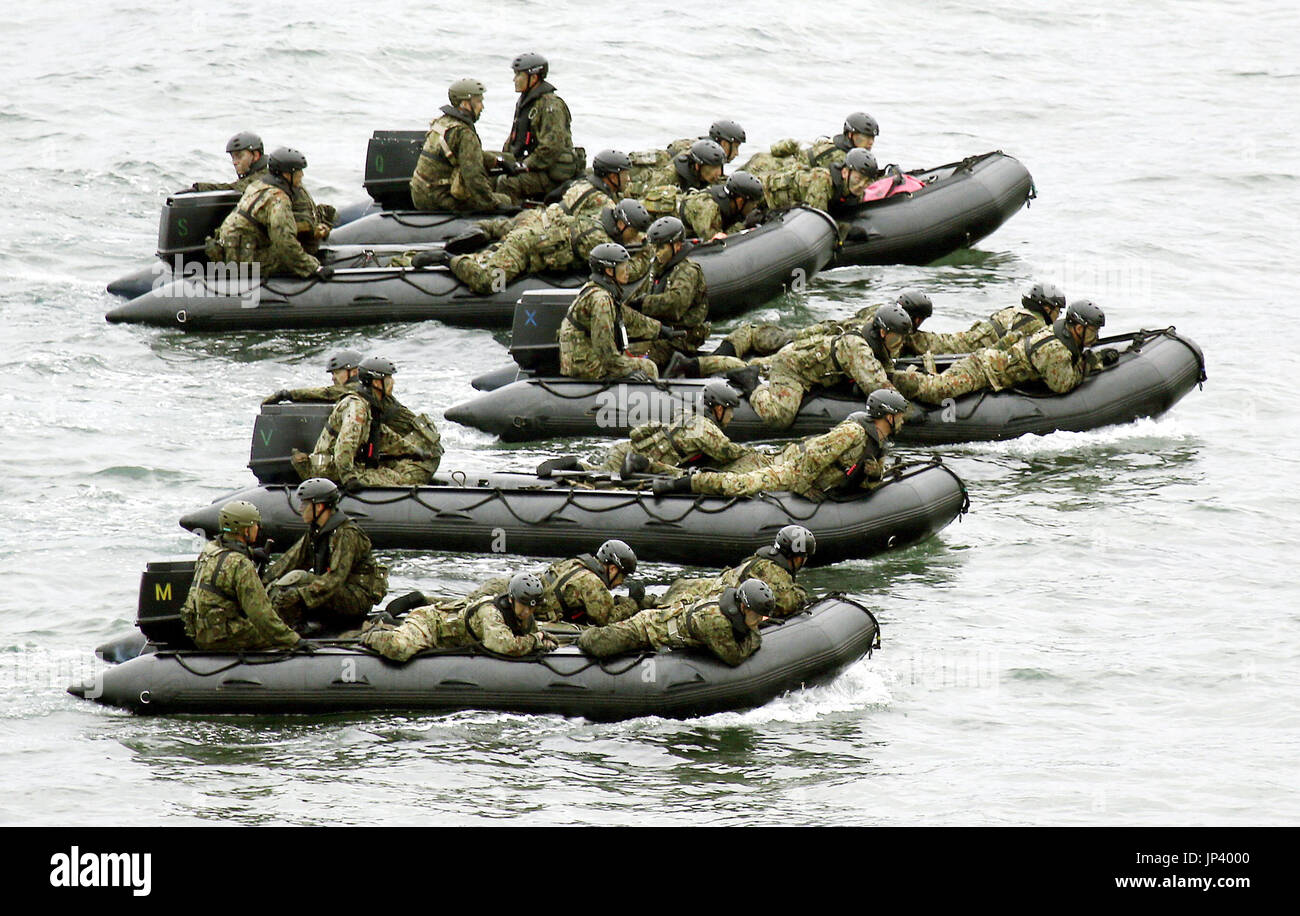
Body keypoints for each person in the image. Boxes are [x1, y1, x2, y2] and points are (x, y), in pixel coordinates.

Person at [684, 301, 913, 430]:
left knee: (760, 364)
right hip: (793, 370)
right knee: (780, 415)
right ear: (882, 332)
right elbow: (881, 389)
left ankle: (700, 365)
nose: (899, 345)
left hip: (808, 359)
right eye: (895, 339)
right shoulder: (858, 349)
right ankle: (750, 383)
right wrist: (910, 409)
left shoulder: (872, 339)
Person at [654, 391, 909, 501]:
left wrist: (873, 476)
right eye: (900, 415)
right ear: (888, 416)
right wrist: (802, 487)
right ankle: (684, 482)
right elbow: (815, 453)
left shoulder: (878, 444)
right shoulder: (853, 432)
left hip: (817, 479)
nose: (903, 420)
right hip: (793, 472)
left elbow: (858, 477)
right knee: (740, 485)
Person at [892, 300, 1113, 405]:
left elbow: (1014, 339)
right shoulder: (1055, 350)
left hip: (990, 361)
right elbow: (1062, 384)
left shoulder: (1055, 333)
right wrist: (1090, 363)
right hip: (983, 371)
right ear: (1078, 328)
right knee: (937, 391)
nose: (1095, 338)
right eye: (1092, 332)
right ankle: (892, 379)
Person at [441, 198, 651, 295]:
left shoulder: (602, 221)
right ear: (622, 225)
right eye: (635, 231)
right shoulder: (595, 238)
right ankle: (446, 259)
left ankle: (489, 230)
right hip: (524, 248)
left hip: (540, 232)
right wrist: (645, 254)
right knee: (488, 283)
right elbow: (625, 273)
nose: (637, 237)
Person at [293, 357, 442, 488]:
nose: (393, 383)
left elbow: (385, 436)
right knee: (400, 482)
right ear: (377, 383)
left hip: (343, 466)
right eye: (389, 379)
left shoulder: (369, 404)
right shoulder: (357, 407)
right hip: (330, 470)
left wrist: (417, 452)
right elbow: (345, 444)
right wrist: (349, 478)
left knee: (395, 475)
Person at [178, 500, 308, 651]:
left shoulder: (208, 551)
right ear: (245, 531)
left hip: (199, 634)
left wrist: (251, 553)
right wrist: (295, 641)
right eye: (254, 525)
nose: (258, 528)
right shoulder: (241, 565)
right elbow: (260, 615)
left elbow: (225, 563)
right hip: (225, 638)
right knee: (284, 626)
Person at [262, 479, 388, 631]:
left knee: (298, 579)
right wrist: (262, 585)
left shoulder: (347, 533)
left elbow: (335, 579)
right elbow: (290, 561)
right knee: (282, 585)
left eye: (305, 504)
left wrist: (299, 594)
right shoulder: (316, 532)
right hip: (335, 593)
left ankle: (292, 628)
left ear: (319, 506)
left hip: (356, 598)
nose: (301, 509)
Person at [362, 572, 557, 663]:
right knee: (399, 650)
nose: (526, 613)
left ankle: (394, 625)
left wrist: (543, 639)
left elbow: (534, 635)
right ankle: (372, 632)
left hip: (452, 632)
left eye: (532, 608)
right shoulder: (491, 612)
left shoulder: (525, 615)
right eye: (523, 606)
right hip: (431, 624)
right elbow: (504, 645)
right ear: (512, 599)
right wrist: (535, 640)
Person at [558, 243, 685, 381]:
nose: (627, 271)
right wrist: (624, 372)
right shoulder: (602, 300)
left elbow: (631, 318)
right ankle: (648, 399)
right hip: (587, 365)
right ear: (609, 270)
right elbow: (605, 349)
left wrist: (661, 330)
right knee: (647, 367)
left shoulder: (599, 290)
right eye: (623, 267)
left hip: (586, 358)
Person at [578, 579, 774, 667]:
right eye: (758, 617)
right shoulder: (717, 622)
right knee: (598, 643)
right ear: (744, 608)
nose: (759, 622)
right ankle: (575, 636)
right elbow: (734, 657)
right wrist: (755, 635)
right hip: (648, 628)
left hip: (668, 618)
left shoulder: (726, 599)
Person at [597, 378, 763, 476]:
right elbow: (730, 453)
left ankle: (578, 466)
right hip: (627, 461)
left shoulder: (686, 414)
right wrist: (760, 456)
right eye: (730, 410)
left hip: (622, 451)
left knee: (593, 473)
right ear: (719, 409)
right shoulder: (705, 430)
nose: (732, 416)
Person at [206, 147, 326, 279]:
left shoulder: (257, 186)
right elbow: (284, 243)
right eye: (298, 172)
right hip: (242, 261)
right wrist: (314, 268)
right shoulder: (279, 198)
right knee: (298, 254)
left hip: (228, 252)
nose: (301, 176)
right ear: (287, 174)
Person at [657, 525, 815, 619]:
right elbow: (787, 604)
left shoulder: (760, 560)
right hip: (706, 599)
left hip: (697, 588)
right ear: (798, 558)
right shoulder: (773, 571)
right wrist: (801, 594)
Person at [410, 78, 513, 212]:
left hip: (419, 193)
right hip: (440, 198)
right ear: (465, 103)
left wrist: (497, 161)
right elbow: (474, 177)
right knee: (506, 199)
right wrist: (495, 204)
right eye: (479, 101)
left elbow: (468, 154)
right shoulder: (465, 133)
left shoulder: (443, 122)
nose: (482, 107)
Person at [624, 216, 709, 367]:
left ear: (676, 246)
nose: (656, 253)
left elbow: (676, 304)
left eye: (661, 248)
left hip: (679, 339)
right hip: (658, 333)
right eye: (655, 248)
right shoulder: (657, 269)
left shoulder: (688, 271)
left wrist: (644, 304)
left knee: (627, 360)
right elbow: (636, 297)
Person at [496, 52, 580, 203]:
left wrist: (523, 165)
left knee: (507, 183)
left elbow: (551, 147)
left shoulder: (550, 106)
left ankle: (512, 218)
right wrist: (503, 161)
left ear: (533, 78)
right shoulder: (526, 102)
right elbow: (515, 140)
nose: (514, 79)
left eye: (518, 75)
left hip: (551, 172)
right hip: (534, 165)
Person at [907, 283, 1066, 356]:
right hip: (976, 346)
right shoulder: (1035, 324)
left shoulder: (1017, 311)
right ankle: (906, 339)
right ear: (1047, 308)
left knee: (942, 342)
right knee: (939, 346)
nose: (1057, 316)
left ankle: (907, 339)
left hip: (974, 337)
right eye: (1057, 311)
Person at [628, 120, 746, 195]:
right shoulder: (692, 156)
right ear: (725, 144)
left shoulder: (708, 154)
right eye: (735, 147)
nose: (736, 153)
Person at [743, 111, 879, 174]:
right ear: (850, 135)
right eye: (865, 137)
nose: (870, 142)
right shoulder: (841, 157)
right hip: (771, 167)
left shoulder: (836, 143)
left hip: (773, 161)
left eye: (872, 138)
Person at [760, 148, 882, 217]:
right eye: (858, 179)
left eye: (867, 182)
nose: (861, 185)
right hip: (765, 195)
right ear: (845, 173)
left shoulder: (856, 193)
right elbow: (816, 220)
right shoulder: (822, 180)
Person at [262, 349, 362, 405]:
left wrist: (286, 395)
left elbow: (326, 394)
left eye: (337, 373)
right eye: (332, 374)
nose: (333, 378)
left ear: (354, 372)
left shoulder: (356, 389)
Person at [190, 131, 268, 192]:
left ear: (256, 155)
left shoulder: (265, 176)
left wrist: (199, 188)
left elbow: (234, 188)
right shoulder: (255, 176)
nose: (235, 162)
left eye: (239, 156)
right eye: (233, 157)